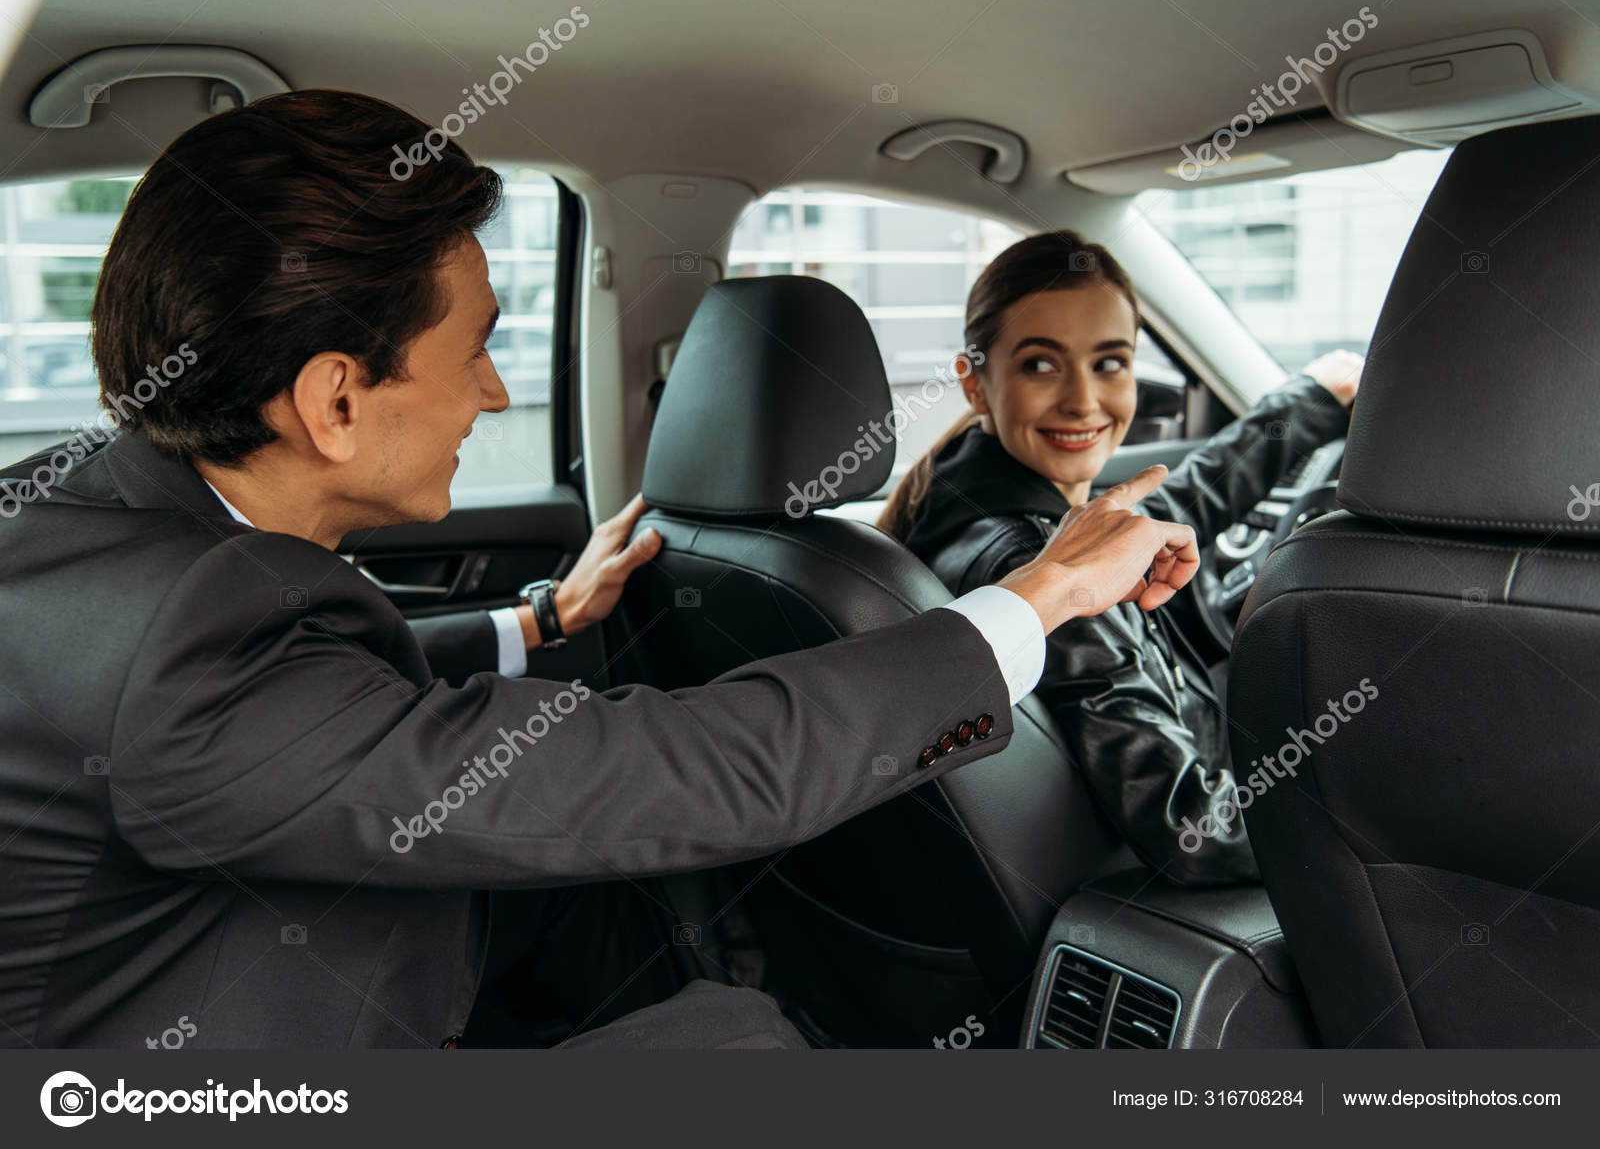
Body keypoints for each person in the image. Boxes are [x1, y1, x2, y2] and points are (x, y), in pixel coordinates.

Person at [0, 94, 1200, 1049]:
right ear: (335, 400)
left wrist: (538, 620)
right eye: (475, 352)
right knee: (738, 1046)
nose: (494, 394)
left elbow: (311, 709)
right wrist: (1038, 595)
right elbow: (682, 769)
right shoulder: (186, 658)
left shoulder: (88, 510)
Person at [882, 231, 1359, 886]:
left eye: (1109, 362)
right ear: (976, 384)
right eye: (1040, 364)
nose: (1083, 400)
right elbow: (1196, 830)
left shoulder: (960, 500)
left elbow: (1171, 511)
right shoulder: (1044, 570)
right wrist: (1376, 815)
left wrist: (1307, 401)